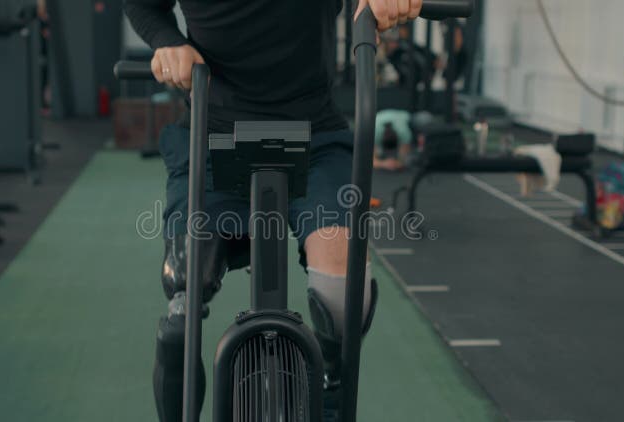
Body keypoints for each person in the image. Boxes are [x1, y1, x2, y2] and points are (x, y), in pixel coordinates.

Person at [124, 0, 423, 420]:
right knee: (184, 284)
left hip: (314, 134)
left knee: (342, 289)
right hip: (214, 133)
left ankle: (330, 387)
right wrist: (166, 40)